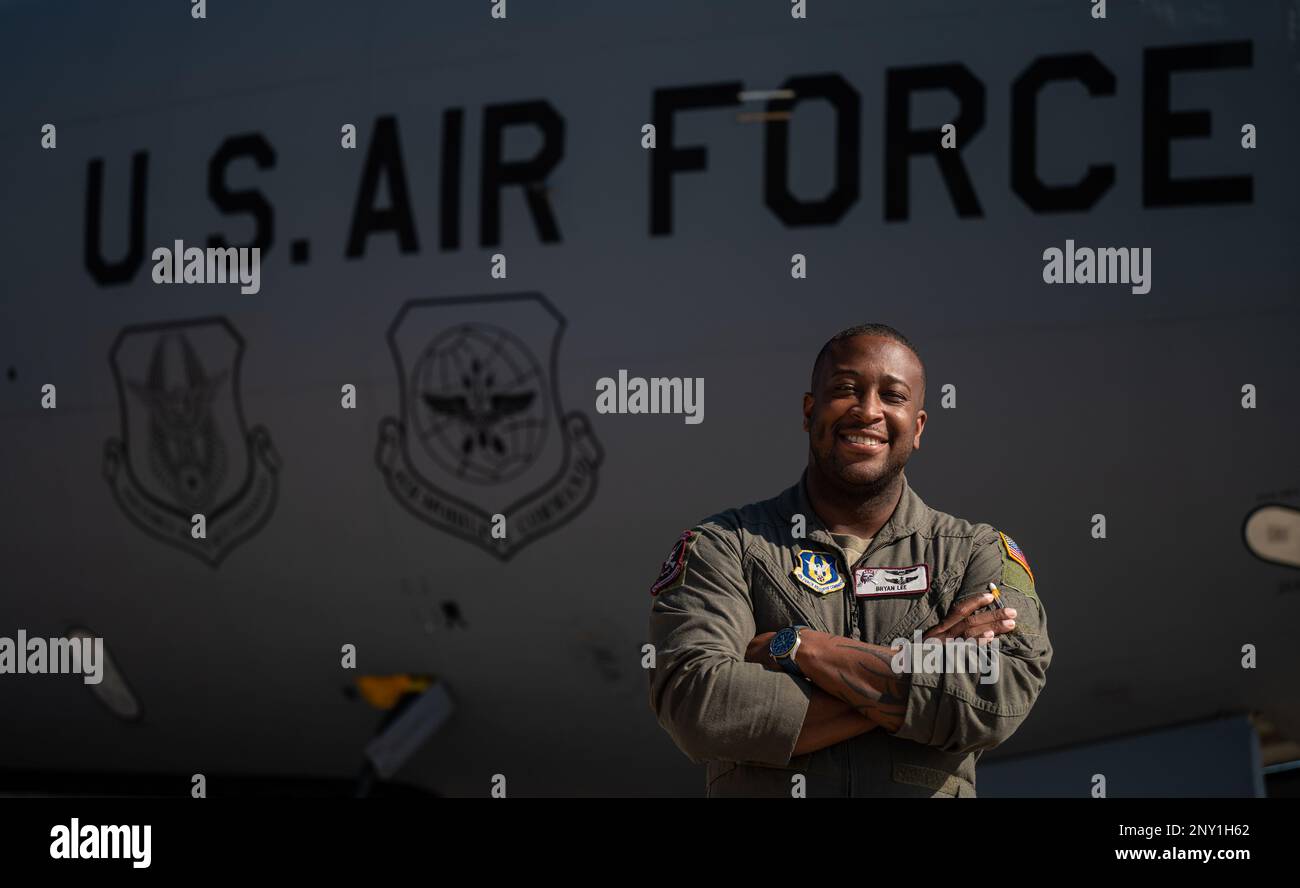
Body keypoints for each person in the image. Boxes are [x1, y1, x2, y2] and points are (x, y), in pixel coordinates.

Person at [647, 324, 1052, 797]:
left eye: (893, 396)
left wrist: (800, 648)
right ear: (808, 411)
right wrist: (925, 666)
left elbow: (998, 697)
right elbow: (700, 706)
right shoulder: (726, 546)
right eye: (845, 390)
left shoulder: (974, 553)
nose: (868, 411)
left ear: (917, 427)